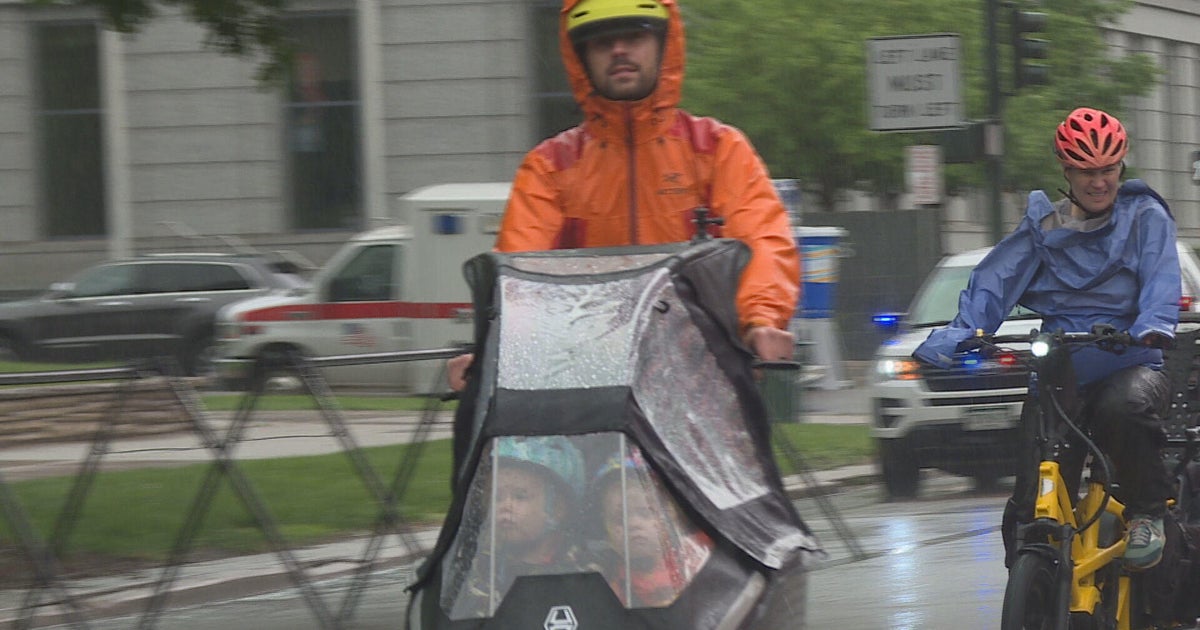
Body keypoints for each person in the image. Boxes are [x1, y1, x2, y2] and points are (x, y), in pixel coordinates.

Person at [447, 0, 800, 391]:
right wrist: (493, 349)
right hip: (587, 387)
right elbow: (518, 275)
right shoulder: (550, 166)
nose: (619, 50)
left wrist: (761, 322)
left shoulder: (717, 149)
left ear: (663, 45)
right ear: (582, 57)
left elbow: (762, 240)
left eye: (633, 36)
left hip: (703, 383)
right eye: (602, 42)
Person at [913, 107, 1179, 571]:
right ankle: (1034, 579)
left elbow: (1161, 277)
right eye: (1086, 171)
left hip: (1131, 362)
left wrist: (1152, 326)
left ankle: (1147, 514)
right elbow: (996, 281)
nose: (1099, 182)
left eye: (1108, 170)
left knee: (1125, 408)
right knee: (1033, 491)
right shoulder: (1045, 225)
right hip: (1063, 371)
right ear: (1066, 170)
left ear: (1122, 166)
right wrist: (961, 334)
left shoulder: (1145, 216)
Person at [447, 435, 587, 617]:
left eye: (520, 496)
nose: (506, 506)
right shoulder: (482, 570)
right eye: (497, 497)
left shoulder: (583, 568)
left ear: (558, 508)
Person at [590, 450, 713, 607]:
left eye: (644, 512)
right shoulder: (606, 585)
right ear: (606, 531)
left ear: (671, 513)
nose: (633, 524)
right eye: (618, 519)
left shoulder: (701, 559)